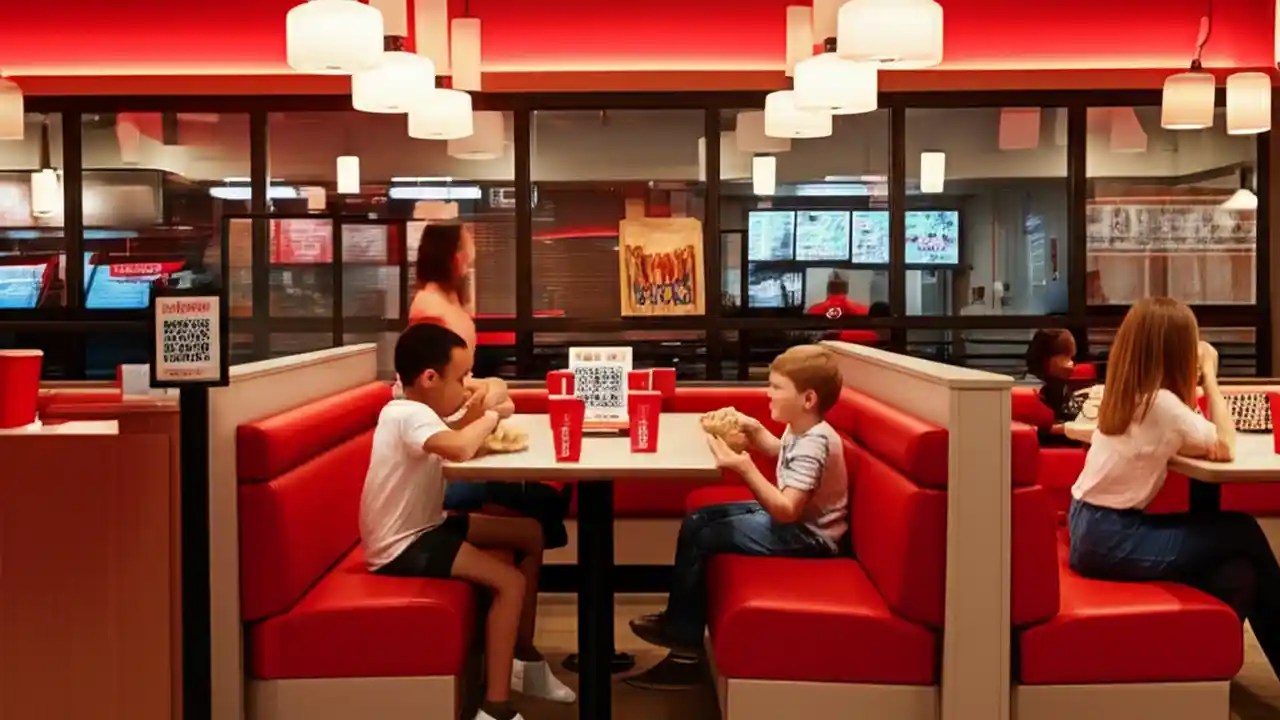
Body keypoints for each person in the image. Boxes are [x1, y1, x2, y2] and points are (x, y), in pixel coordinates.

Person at [361, 323, 576, 720]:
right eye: (460, 377)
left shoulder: (418, 409)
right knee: (509, 582)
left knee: (531, 533)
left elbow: (466, 423)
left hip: (427, 525)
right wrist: (491, 415)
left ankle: (522, 660)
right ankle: (495, 708)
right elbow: (459, 446)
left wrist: (485, 400)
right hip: (401, 546)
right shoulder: (405, 413)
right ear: (429, 378)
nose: (465, 386)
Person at [1068, 297, 1280, 680]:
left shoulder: (1129, 396)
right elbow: (1224, 444)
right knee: (1243, 531)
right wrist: (1211, 376)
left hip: (1087, 525)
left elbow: (1199, 435)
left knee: (1238, 569)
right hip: (1112, 538)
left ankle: (1206, 661)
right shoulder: (1161, 405)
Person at [626, 345, 850, 688]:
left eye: (776, 387)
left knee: (702, 536)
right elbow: (781, 453)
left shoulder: (814, 443)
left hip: (811, 538)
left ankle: (684, 648)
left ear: (808, 399)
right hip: (799, 525)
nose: (767, 393)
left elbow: (787, 510)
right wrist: (757, 431)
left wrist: (743, 466)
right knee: (698, 519)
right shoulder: (802, 428)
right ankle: (679, 623)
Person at [410, 222, 570, 549]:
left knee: (546, 497)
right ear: (454, 257)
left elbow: (463, 384)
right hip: (443, 466)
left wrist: (492, 393)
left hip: (460, 444)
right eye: (468, 251)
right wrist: (489, 405)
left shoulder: (450, 303)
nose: (472, 259)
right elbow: (439, 398)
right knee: (542, 501)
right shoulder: (430, 310)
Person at [1025, 328, 1085, 446]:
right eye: (1067, 357)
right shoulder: (1036, 390)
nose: (1072, 364)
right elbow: (1043, 427)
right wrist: (1071, 428)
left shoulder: (1057, 383)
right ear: (1051, 360)